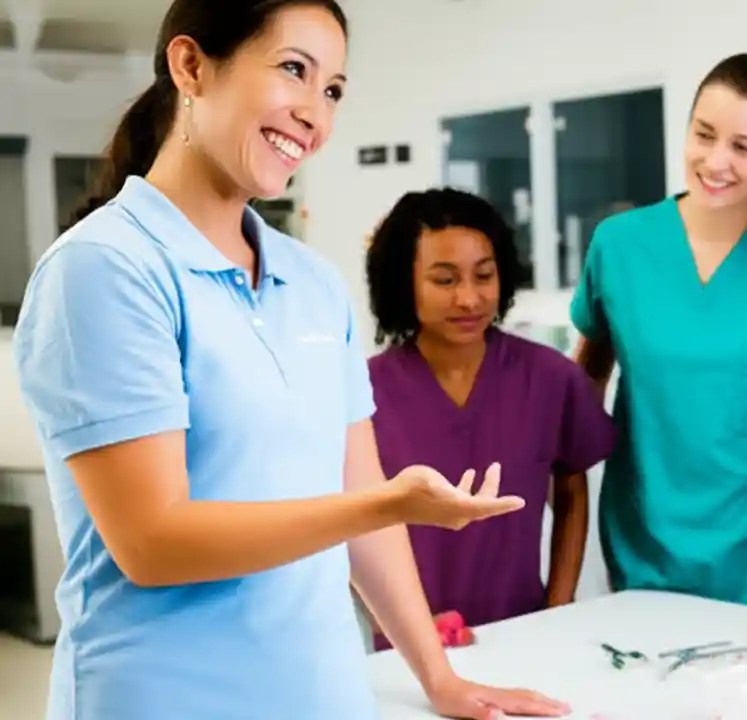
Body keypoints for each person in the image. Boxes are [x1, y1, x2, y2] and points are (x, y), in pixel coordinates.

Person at [10, 2, 569, 719]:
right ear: (191, 67)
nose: (314, 113)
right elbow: (153, 544)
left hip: (321, 694)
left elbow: (362, 497)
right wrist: (385, 503)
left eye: (332, 89)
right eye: (293, 70)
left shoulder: (312, 283)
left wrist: (439, 677)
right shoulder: (104, 269)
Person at [571, 53, 747, 609]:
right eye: (704, 134)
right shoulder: (618, 244)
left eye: (743, 147)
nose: (716, 161)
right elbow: (582, 388)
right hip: (640, 555)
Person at [363, 187, 615, 650]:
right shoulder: (363, 392)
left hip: (525, 635)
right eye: (444, 280)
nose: (469, 298)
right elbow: (349, 526)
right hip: (410, 645)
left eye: (484, 275)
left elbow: (571, 489)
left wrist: (559, 606)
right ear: (403, 283)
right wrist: (399, 621)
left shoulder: (549, 377)